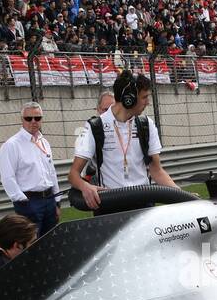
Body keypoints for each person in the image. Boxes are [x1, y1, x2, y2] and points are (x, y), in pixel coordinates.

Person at [69, 70, 177, 211]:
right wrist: (85, 186)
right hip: (111, 206)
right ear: (129, 98)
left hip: (144, 204)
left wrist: (181, 195)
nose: (148, 102)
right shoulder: (95, 126)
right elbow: (73, 175)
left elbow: (156, 170)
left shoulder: (146, 124)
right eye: (144, 97)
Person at [0, 102, 60, 236]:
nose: (33, 122)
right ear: (22, 120)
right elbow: (7, 178)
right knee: (31, 243)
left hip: (49, 199)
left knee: (51, 241)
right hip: (30, 202)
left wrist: (57, 201)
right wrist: (23, 202)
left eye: (37, 118)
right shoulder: (11, 145)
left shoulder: (44, 142)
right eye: (28, 118)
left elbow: (51, 172)